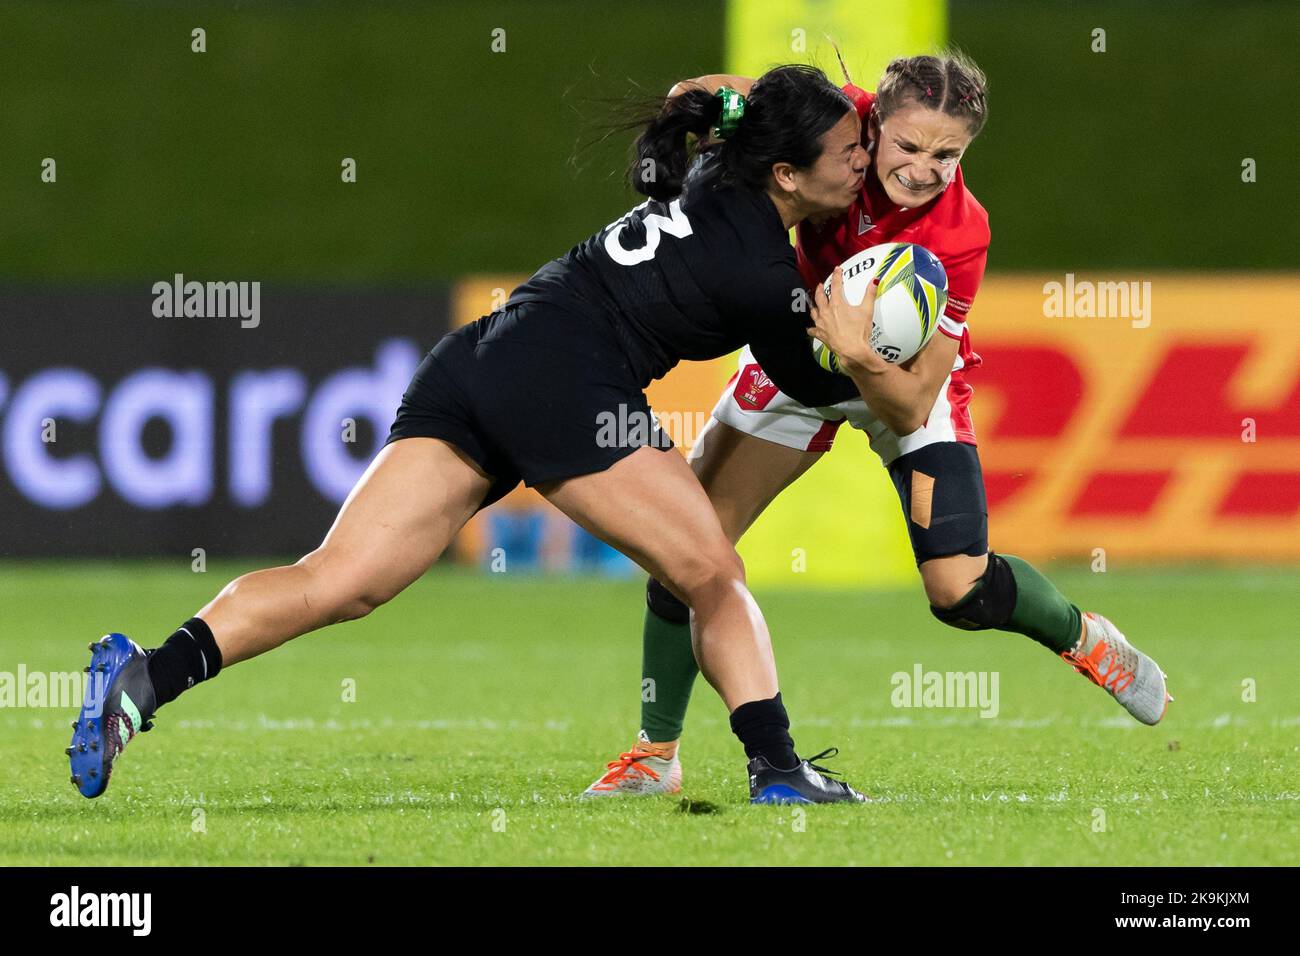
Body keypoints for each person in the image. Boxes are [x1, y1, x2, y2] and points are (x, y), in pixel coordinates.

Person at [68, 64, 877, 805]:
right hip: (570, 377)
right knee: (712, 573)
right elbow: (808, 384)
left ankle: (147, 677)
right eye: (848, 150)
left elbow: (690, 94)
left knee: (341, 581)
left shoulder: (713, 162)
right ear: (785, 172)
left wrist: (739, 101)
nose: (863, 162)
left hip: (486, 353)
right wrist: (870, 362)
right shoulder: (764, 275)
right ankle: (778, 770)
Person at [582, 52, 1171, 798]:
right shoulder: (837, 121)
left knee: (960, 593)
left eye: (947, 154)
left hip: (897, 379)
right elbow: (692, 93)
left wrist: (861, 356)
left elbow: (911, 405)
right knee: (683, 552)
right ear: (875, 122)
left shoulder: (962, 232)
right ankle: (655, 755)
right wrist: (713, 119)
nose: (925, 169)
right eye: (909, 146)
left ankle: (1085, 638)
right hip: (796, 358)